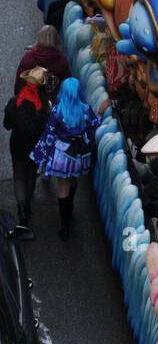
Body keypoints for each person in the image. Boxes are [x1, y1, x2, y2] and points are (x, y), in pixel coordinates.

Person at [31, 76, 100, 240]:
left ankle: (65, 225)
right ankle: (70, 209)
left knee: (62, 187)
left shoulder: (57, 110)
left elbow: (49, 134)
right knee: (73, 181)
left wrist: (40, 155)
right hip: (78, 155)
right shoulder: (85, 109)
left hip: (62, 155)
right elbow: (93, 126)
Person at [4, 67, 50, 228]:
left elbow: (7, 125)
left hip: (18, 144)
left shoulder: (16, 101)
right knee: (31, 175)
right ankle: (28, 204)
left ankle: (22, 210)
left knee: (19, 175)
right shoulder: (45, 105)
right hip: (36, 146)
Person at [15, 25, 70, 101]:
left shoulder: (28, 58)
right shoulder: (62, 62)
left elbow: (19, 83)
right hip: (52, 103)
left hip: (29, 102)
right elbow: (67, 85)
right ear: (56, 40)